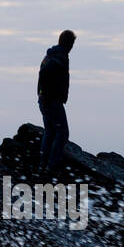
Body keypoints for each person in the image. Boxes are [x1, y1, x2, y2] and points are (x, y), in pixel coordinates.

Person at [36, 29, 75, 175]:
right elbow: (44, 74)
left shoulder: (51, 54)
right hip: (51, 101)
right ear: (69, 44)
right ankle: (51, 166)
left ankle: (44, 164)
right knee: (62, 133)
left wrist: (42, 95)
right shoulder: (59, 56)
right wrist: (47, 95)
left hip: (46, 100)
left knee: (51, 131)